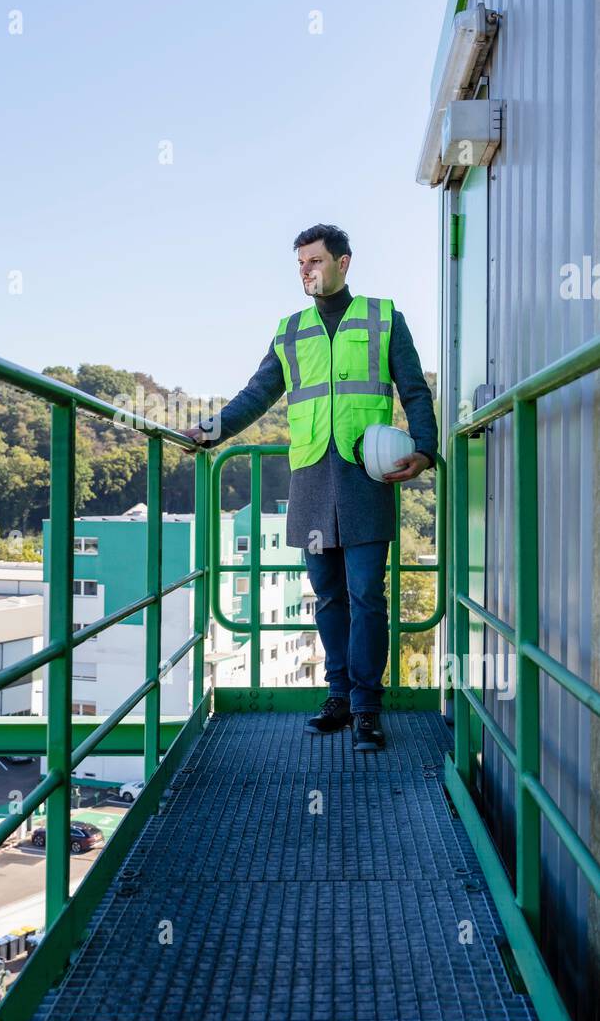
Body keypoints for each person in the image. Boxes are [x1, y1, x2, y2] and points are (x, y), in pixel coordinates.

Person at [181, 224, 438, 751]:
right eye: (301, 264)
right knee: (327, 597)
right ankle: (339, 697)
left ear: (344, 262)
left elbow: (413, 390)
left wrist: (425, 449)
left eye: (315, 261)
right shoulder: (290, 330)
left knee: (367, 595)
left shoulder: (384, 317)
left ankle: (367, 707)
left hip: (366, 475)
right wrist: (211, 431)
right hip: (312, 479)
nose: (307, 271)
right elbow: (256, 395)